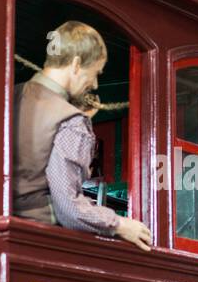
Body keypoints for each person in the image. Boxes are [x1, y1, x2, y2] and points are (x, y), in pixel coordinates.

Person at [12, 21, 152, 251]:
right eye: (95, 73)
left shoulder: (11, 94)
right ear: (76, 64)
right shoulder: (70, 121)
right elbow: (69, 209)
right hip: (41, 244)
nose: (95, 83)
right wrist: (120, 224)